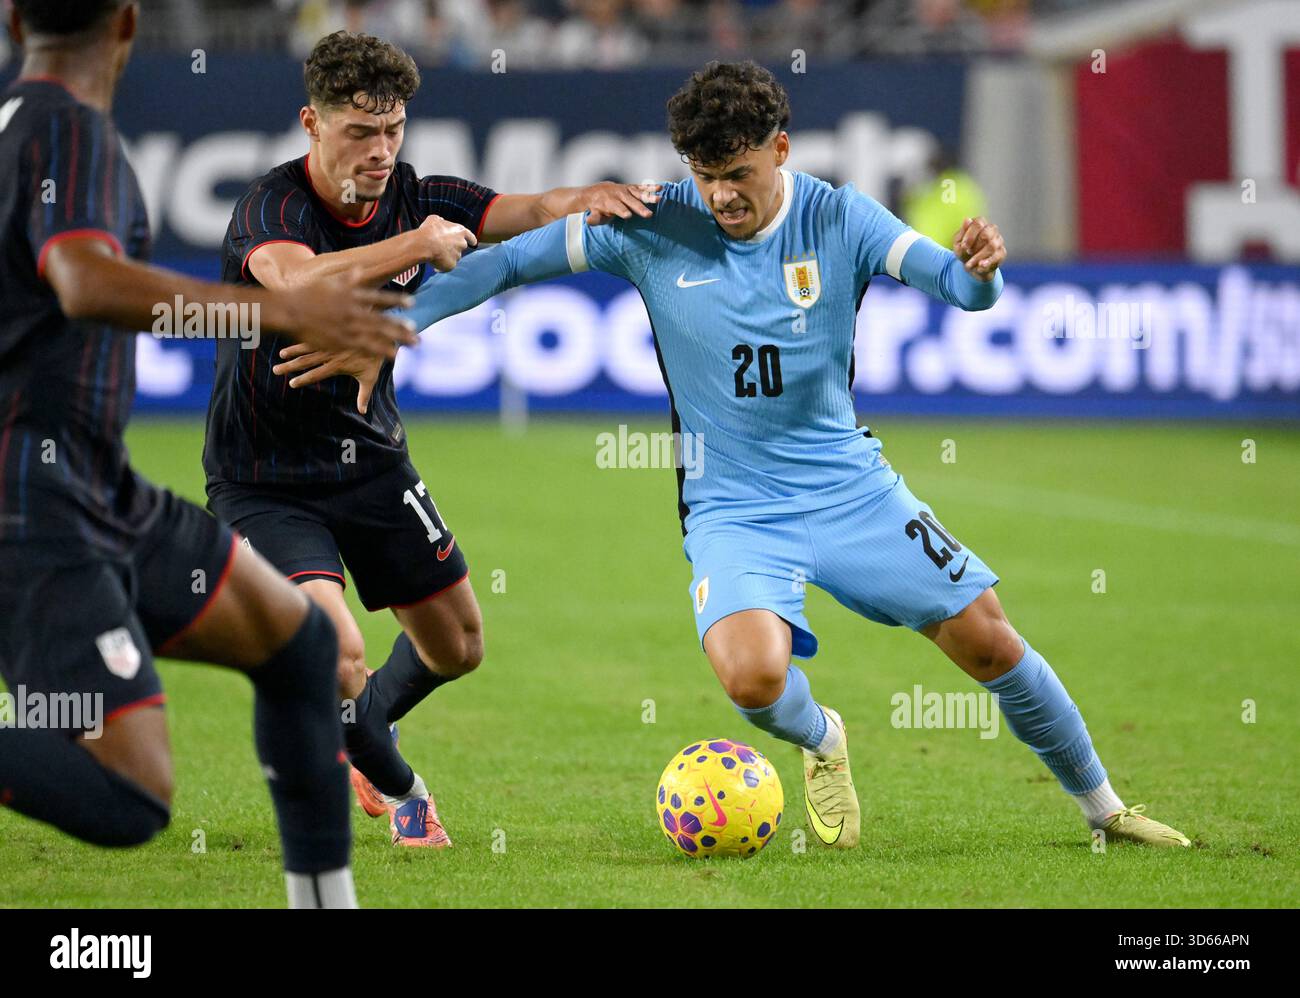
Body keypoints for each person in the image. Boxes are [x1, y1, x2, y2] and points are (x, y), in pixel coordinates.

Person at [281, 60, 1191, 851]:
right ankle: (824, 737)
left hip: (848, 486)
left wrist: (982, 273)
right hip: (735, 504)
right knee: (753, 679)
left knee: (989, 641)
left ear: (783, 150)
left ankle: (1103, 809)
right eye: (705, 174)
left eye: (739, 173)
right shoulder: (654, 222)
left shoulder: (842, 219)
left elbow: (954, 286)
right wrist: (395, 325)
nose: (721, 195)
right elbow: (505, 264)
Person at [0, 0, 419, 908]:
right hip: (30, 504)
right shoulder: (68, 130)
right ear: (126, 25)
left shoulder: (17, 128)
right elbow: (84, 283)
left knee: (303, 645)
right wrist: (276, 308)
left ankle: (323, 901)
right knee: (130, 795)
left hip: (95, 485)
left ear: (8, 24)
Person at [203, 29, 660, 847]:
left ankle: (356, 732)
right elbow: (296, 277)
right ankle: (406, 791)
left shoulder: (422, 191)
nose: (381, 151)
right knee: (336, 651)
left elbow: (525, 211)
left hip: (372, 463)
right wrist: (417, 245)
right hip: (265, 477)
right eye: (359, 131)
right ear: (312, 122)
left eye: (394, 130)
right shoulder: (272, 207)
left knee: (459, 646)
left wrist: (586, 195)